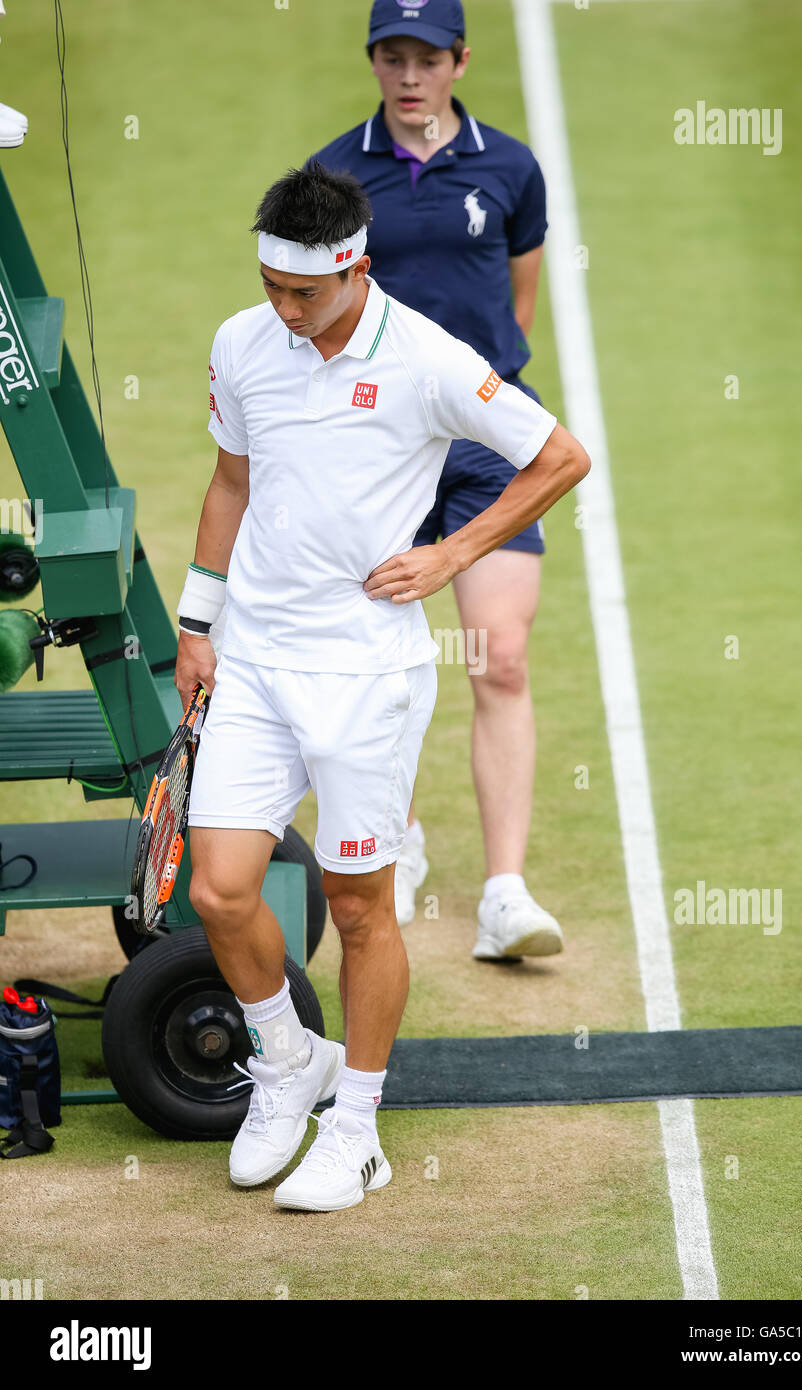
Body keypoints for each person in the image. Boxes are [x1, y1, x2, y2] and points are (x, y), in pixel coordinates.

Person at [175, 161, 589, 1212]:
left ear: (354, 270)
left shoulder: (424, 358)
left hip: (365, 673)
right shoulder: (241, 342)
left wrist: (449, 555)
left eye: (301, 293)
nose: (281, 308)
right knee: (220, 888)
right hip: (259, 661)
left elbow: (557, 455)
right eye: (269, 283)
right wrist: (196, 619)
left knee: (360, 907)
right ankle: (286, 1061)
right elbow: (231, 480)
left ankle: (354, 1125)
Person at [311, 0, 560, 961]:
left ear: (460, 61)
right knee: (385, 660)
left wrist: (482, 380)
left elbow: (517, 290)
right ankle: (398, 845)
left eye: (427, 58)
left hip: (490, 437)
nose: (409, 75)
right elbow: (325, 305)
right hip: (386, 448)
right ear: (375, 62)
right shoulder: (336, 174)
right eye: (392, 57)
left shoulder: (511, 167)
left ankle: (504, 894)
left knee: (499, 657)